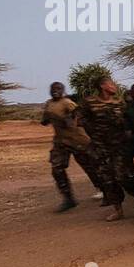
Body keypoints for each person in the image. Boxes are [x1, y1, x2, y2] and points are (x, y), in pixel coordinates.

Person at [79, 75, 134, 221]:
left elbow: (126, 122)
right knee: (107, 179)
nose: (114, 86)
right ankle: (118, 210)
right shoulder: (89, 102)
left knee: (123, 176)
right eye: (111, 84)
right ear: (103, 86)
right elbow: (80, 119)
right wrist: (94, 134)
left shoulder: (119, 103)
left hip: (119, 146)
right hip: (100, 147)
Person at [40, 81, 97, 212]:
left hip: (77, 140)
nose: (55, 91)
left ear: (63, 90)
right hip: (60, 141)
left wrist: (68, 119)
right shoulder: (49, 103)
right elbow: (44, 121)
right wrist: (47, 118)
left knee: (89, 166)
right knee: (57, 169)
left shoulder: (67, 103)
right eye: (53, 89)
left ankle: (104, 190)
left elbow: (78, 117)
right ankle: (68, 199)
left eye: (59, 89)